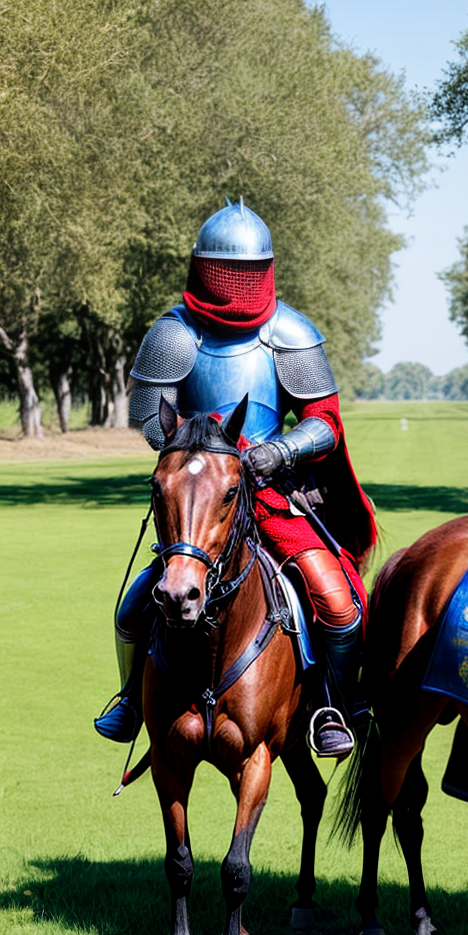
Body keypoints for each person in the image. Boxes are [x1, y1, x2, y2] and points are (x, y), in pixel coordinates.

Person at [94, 198, 377, 758]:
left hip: (274, 496)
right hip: (200, 499)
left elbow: (325, 424)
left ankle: (334, 708)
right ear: (201, 268)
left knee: (340, 605)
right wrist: (201, 450)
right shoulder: (174, 334)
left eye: (247, 273)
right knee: (133, 609)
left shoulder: (290, 331)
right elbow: (149, 417)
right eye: (226, 272)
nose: (236, 285)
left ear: (266, 270)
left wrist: (276, 451)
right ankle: (130, 699)